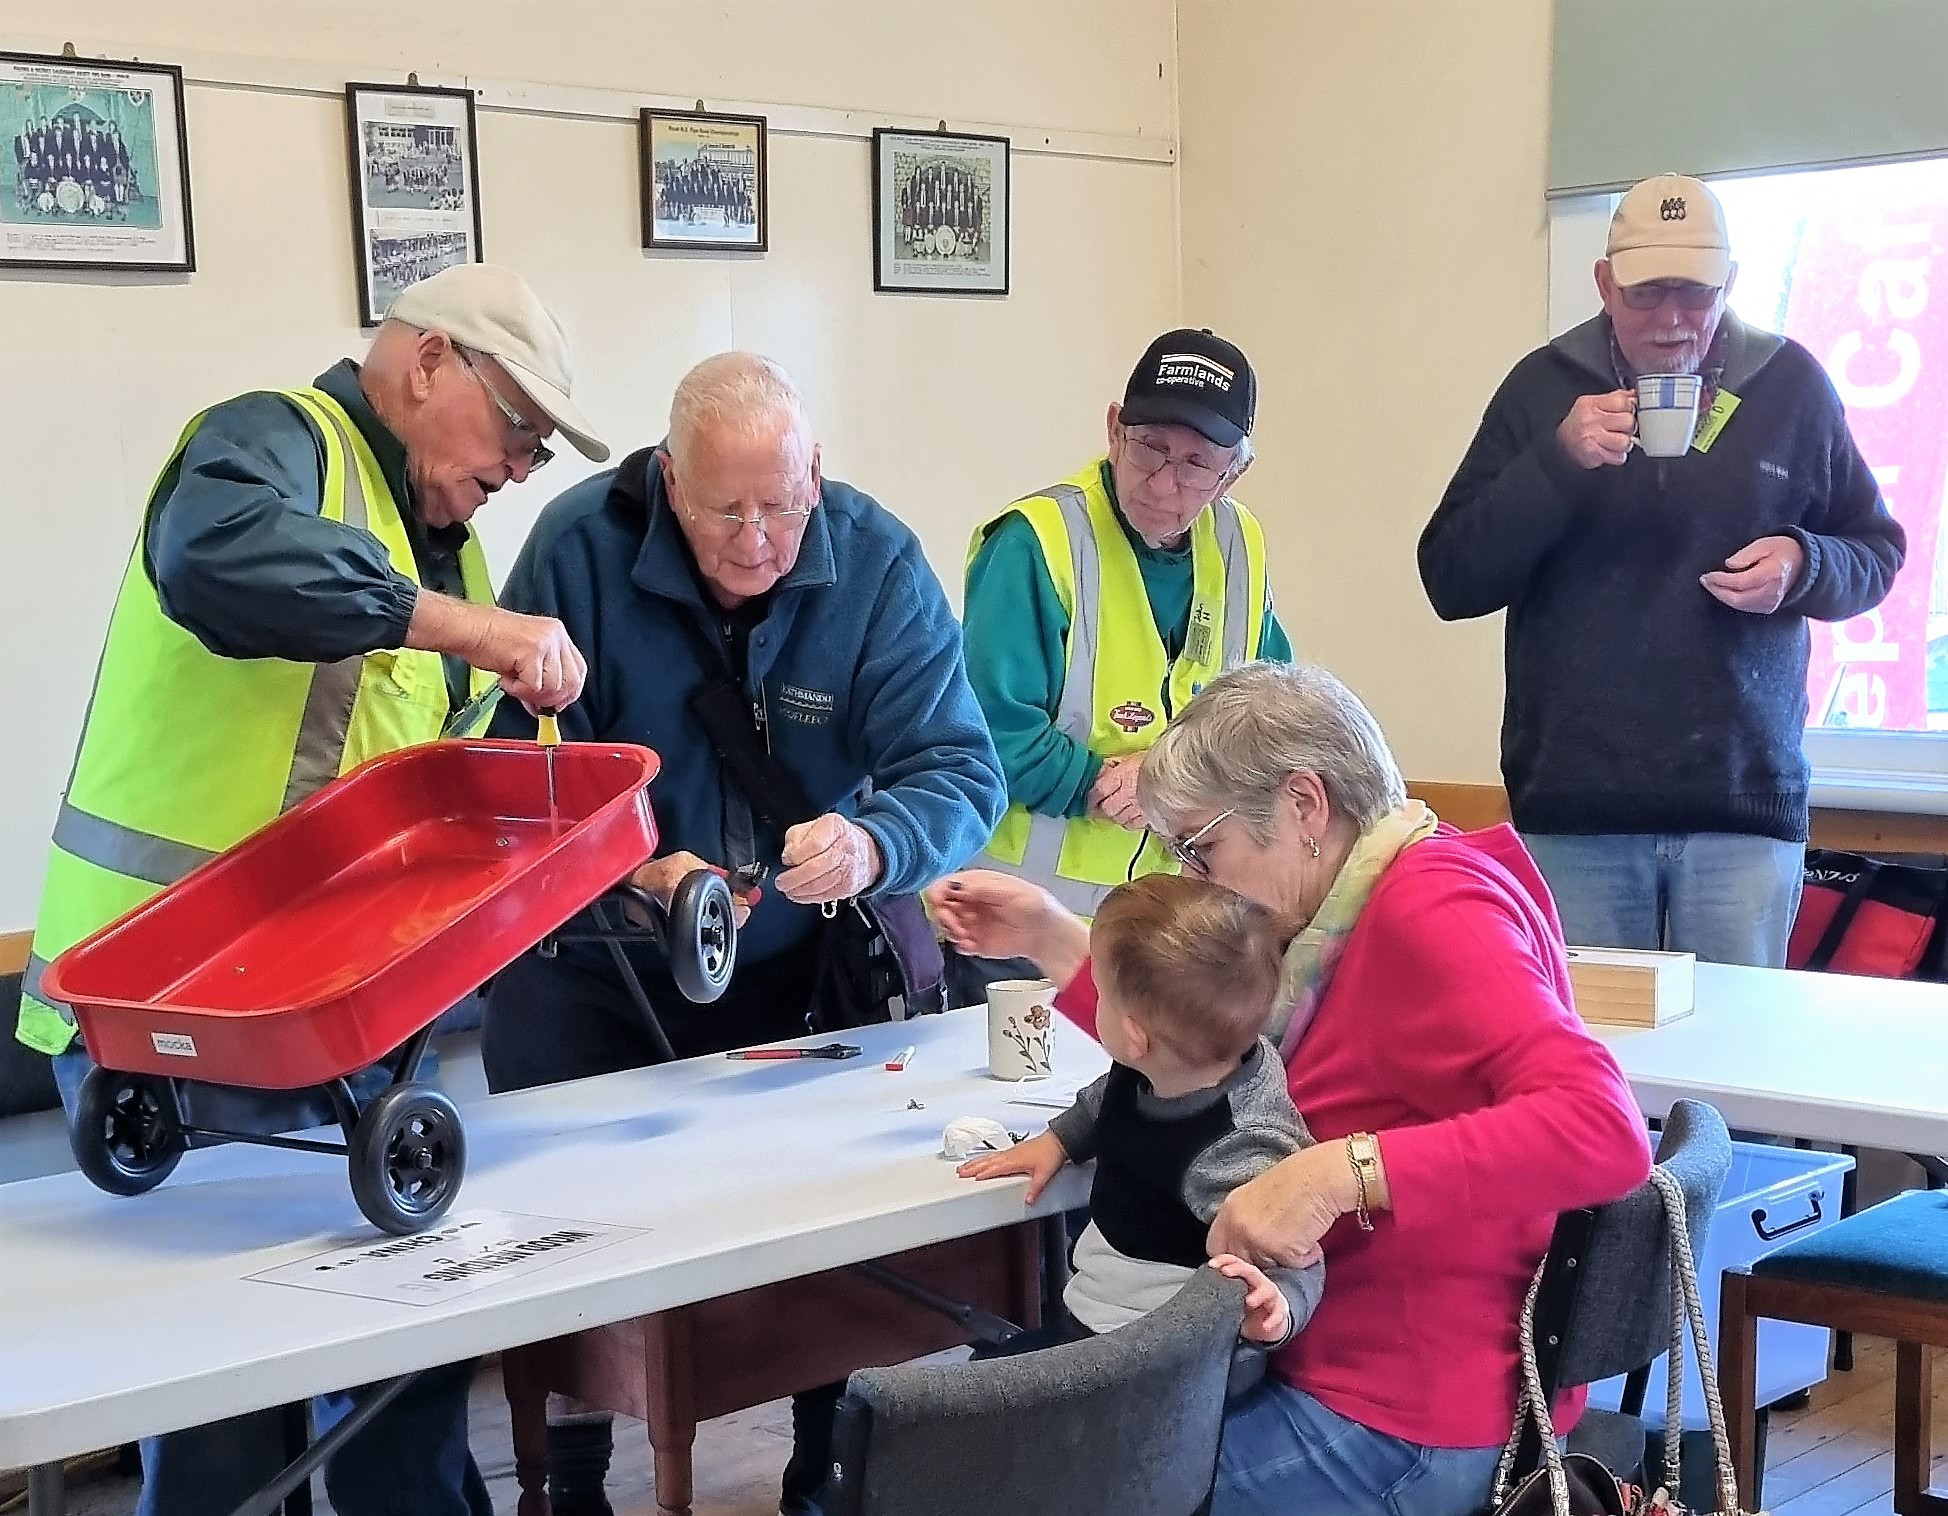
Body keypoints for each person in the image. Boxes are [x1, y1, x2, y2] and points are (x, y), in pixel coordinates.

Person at [15, 263, 604, 1515]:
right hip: (159, 1010)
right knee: (227, 1416)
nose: (514, 467)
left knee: (408, 1385)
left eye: (537, 452)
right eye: (515, 430)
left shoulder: (452, 554)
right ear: (432, 361)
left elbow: (446, 798)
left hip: (347, 1029)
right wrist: (460, 629)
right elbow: (220, 560)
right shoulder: (269, 442)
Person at [928, 660, 1653, 1516]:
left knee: (999, 1485)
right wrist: (1059, 942)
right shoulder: (1361, 907)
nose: (1197, 882)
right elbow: (1208, 1042)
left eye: (1203, 849)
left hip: (1405, 1410)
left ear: (1305, 807)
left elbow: (1602, 1131)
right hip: (1370, 1372)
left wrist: (1335, 1174)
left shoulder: (1433, 913)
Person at [481, 351, 1006, 1516]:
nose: (757, 538)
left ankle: (821, 1461)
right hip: (599, 966)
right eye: (725, 508)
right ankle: (567, 1484)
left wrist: (872, 848)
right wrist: (626, 863)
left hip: (795, 960)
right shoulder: (575, 549)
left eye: (779, 504)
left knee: (821, 1228)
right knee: (571, 1235)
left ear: (816, 474)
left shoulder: (875, 562)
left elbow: (961, 769)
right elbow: (509, 779)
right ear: (669, 481)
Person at [1418, 173, 1906, 968]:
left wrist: (1803, 562)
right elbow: (1449, 576)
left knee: (1735, 1073)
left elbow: (1876, 551)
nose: (1673, 320)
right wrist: (1555, 463)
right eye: (1648, 293)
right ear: (1605, 284)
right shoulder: (1543, 389)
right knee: (1593, 1075)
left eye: (1694, 291)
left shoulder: (1791, 386)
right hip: (1575, 811)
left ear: (1731, 284)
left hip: (1742, 808)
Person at [950, 327, 1291, 1006]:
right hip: (1021, 937)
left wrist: (1170, 778)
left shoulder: (1239, 544)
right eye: (1150, 448)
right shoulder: (1035, 543)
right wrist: (1106, 781)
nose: (1164, 482)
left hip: (1180, 934)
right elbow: (988, 730)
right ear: (1114, 429)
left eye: (1196, 463)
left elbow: (1273, 715)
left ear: (1235, 471)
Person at [959, 873, 1322, 1355]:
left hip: (1153, 1362)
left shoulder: (1236, 1150)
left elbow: (1298, 1252)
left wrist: (1280, 1307)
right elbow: (1108, 1096)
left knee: (970, 1396)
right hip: (1100, 1311)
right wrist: (1058, 1141)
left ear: (1134, 1036)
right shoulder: (1174, 1063)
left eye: (1099, 992)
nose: (1091, 999)